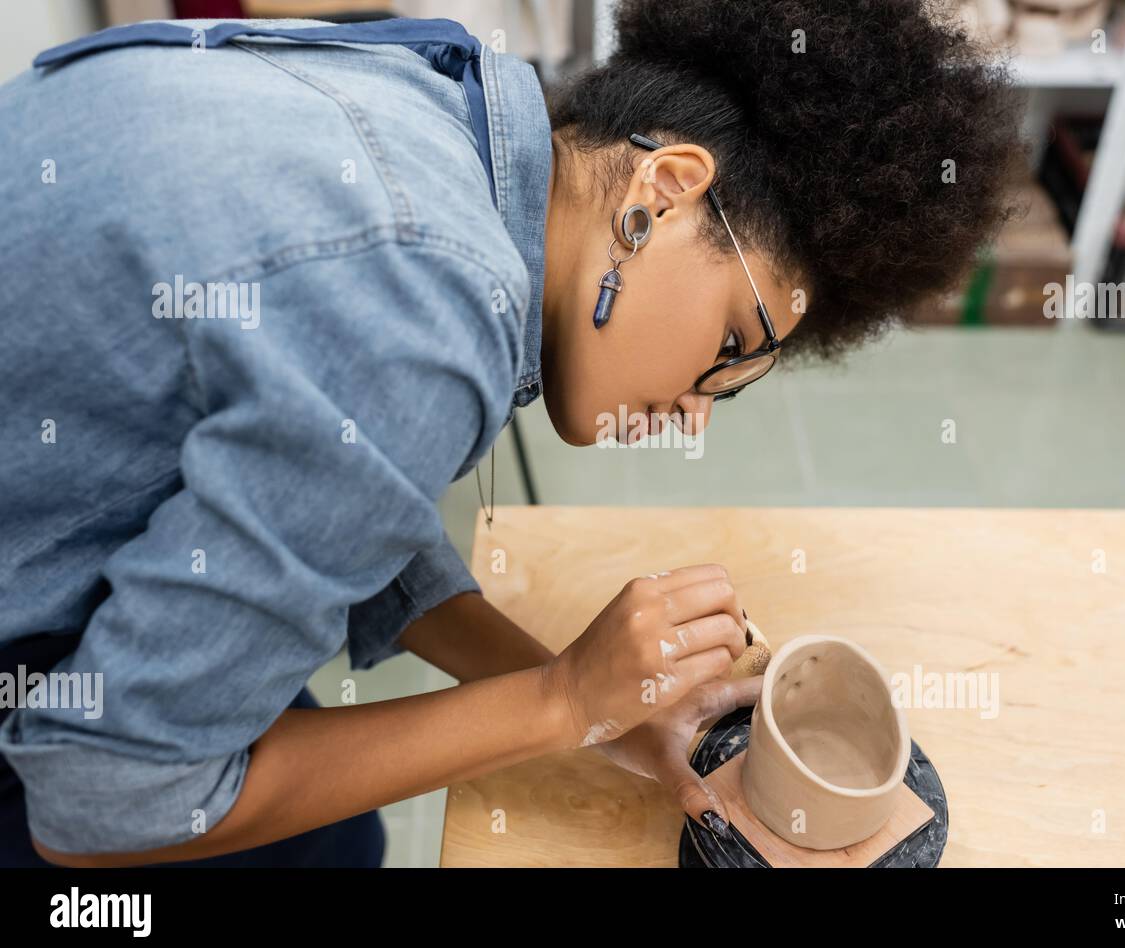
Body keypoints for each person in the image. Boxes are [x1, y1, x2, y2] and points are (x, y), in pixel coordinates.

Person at [0, 0, 1022, 866]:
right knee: (332, 846)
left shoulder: (442, 91)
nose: (696, 409)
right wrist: (558, 701)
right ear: (664, 192)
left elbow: (341, 476)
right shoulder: (427, 312)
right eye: (729, 344)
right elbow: (104, 802)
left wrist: (601, 713)